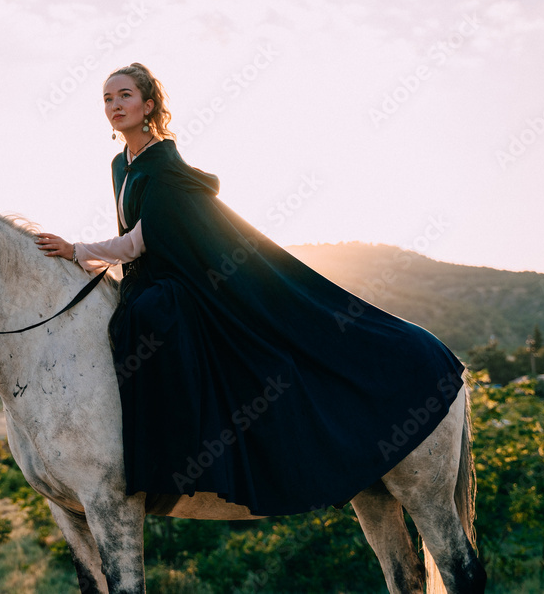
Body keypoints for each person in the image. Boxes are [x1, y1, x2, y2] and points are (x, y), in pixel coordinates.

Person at [35, 63, 465, 516]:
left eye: (123, 95)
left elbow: (143, 238)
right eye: (107, 99)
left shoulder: (162, 162)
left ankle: (184, 461)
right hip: (146, 275)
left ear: (148, 104)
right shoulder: (121, 164)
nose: (114, 106)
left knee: (155, 317)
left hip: (181, 279)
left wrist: (77, 249)